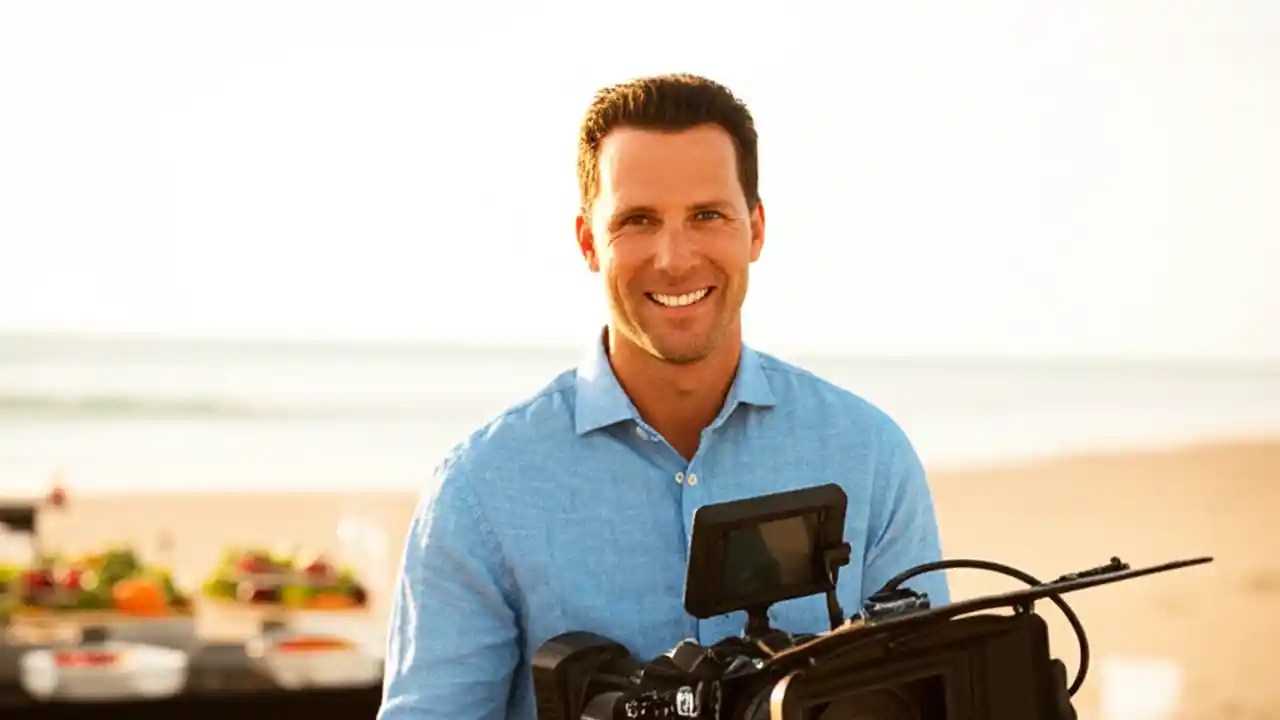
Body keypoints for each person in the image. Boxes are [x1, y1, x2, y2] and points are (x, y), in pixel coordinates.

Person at [377, 73, 949, 720]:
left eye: (708, 216)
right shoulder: (482, 490)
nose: (675, 259)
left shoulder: (868, 456)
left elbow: (937, 695)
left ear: (755, 230)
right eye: (638, 221)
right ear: (589, 242)